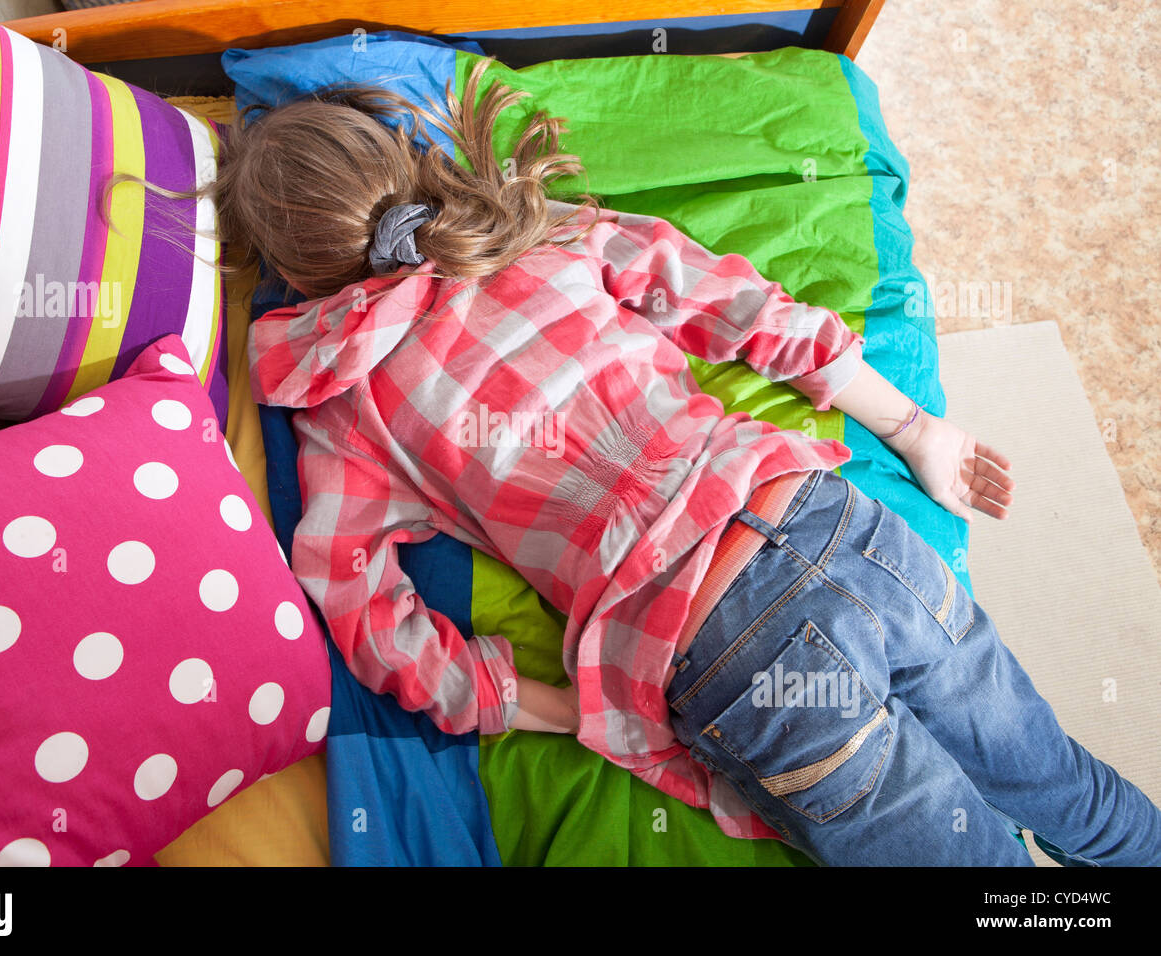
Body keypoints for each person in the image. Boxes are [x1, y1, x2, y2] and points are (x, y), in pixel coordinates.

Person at [125, 58, 1161, 865]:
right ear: (399, 159)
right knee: (1057, 778)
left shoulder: (346, 407)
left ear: (297, 275)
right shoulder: (540, 235)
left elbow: (360, 613)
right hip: (827, 521)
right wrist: (913, 429)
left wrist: (535, 703)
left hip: (718, 646)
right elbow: (742, 307)